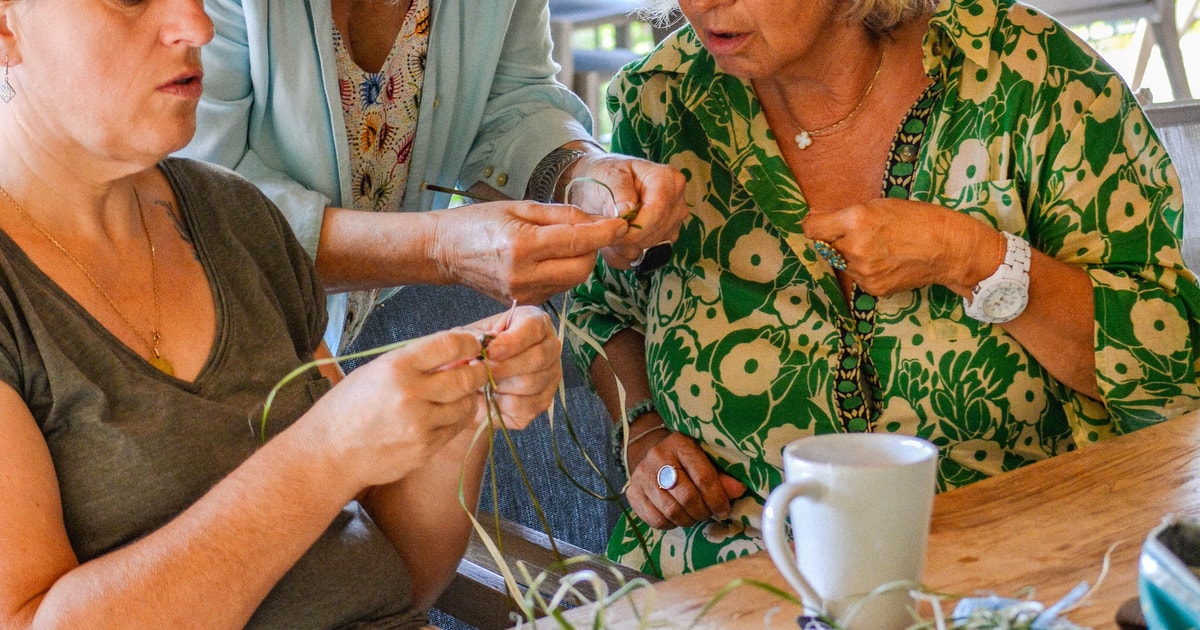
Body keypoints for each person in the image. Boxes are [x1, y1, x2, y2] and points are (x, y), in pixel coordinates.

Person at [566, 0, 1200, 578]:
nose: (700, 4)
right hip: (716, 582)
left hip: (1007, 573)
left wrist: (975, 258)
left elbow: (1173, 361)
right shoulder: (662, 101)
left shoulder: (1036, 82)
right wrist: (643, 432)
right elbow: (601, 311)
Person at [0, 1, 562, 627]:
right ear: (5, 25)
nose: (198, 27)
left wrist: (459, 404)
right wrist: (326, 453)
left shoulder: (235, 217)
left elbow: (398, 576)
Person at [178, 0, 689, 354]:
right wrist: (439, 249)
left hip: (337, 342)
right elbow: (196, 202)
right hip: (204, 340)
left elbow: (510, 103)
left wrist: (584, 176)